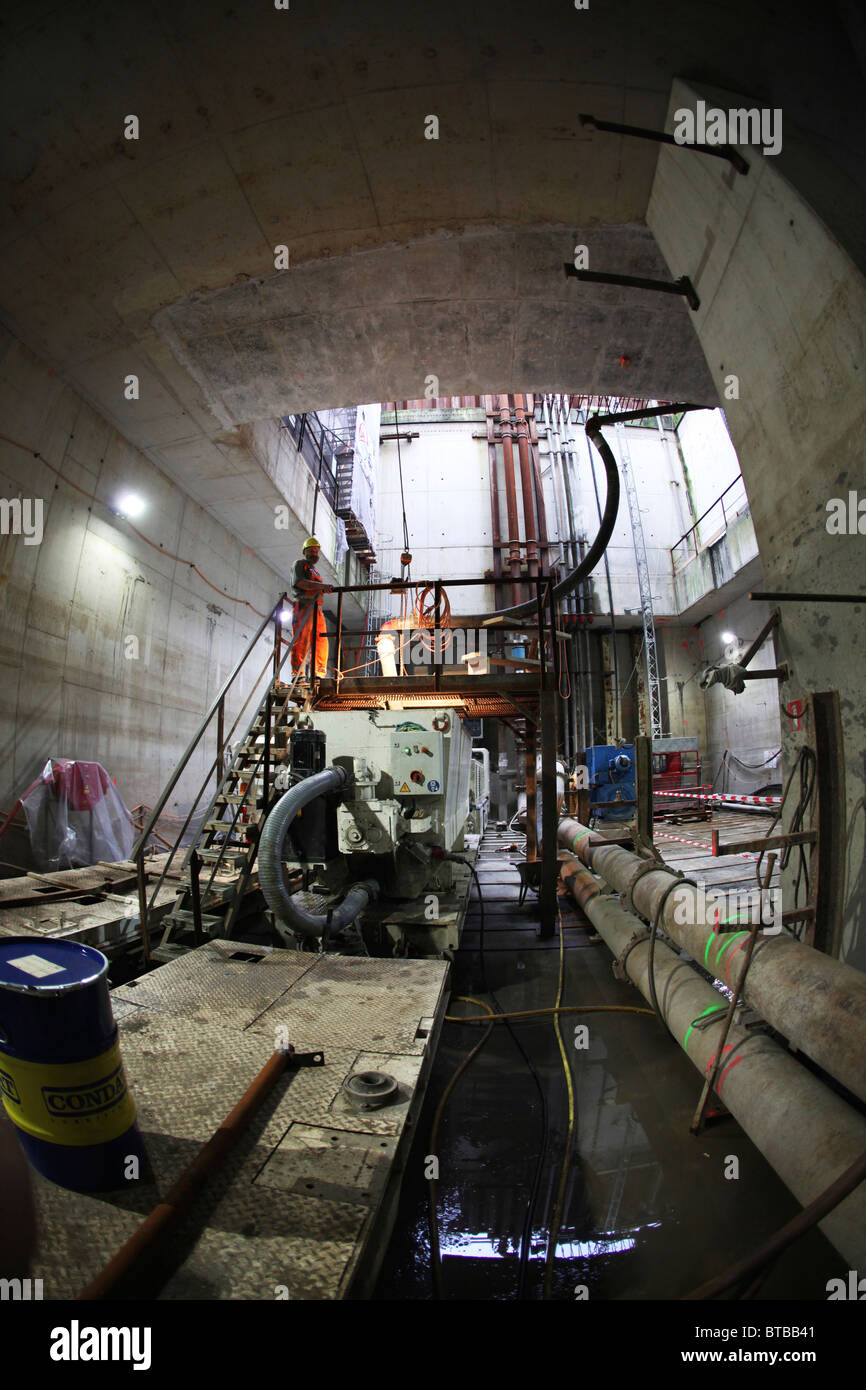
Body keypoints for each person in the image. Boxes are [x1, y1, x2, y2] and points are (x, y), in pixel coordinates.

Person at [290, 537, 331, 678]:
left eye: (316, 551)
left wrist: (322, 588)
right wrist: (322, 586)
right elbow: (300, 583)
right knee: (302, 640)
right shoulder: (300, 564)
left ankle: (318, 673)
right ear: (304, 552)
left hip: (317, 609)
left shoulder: (315, 571)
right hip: (304, 606)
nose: (314, 554)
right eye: (311, 551)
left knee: (321, 640)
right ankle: (298, 674)